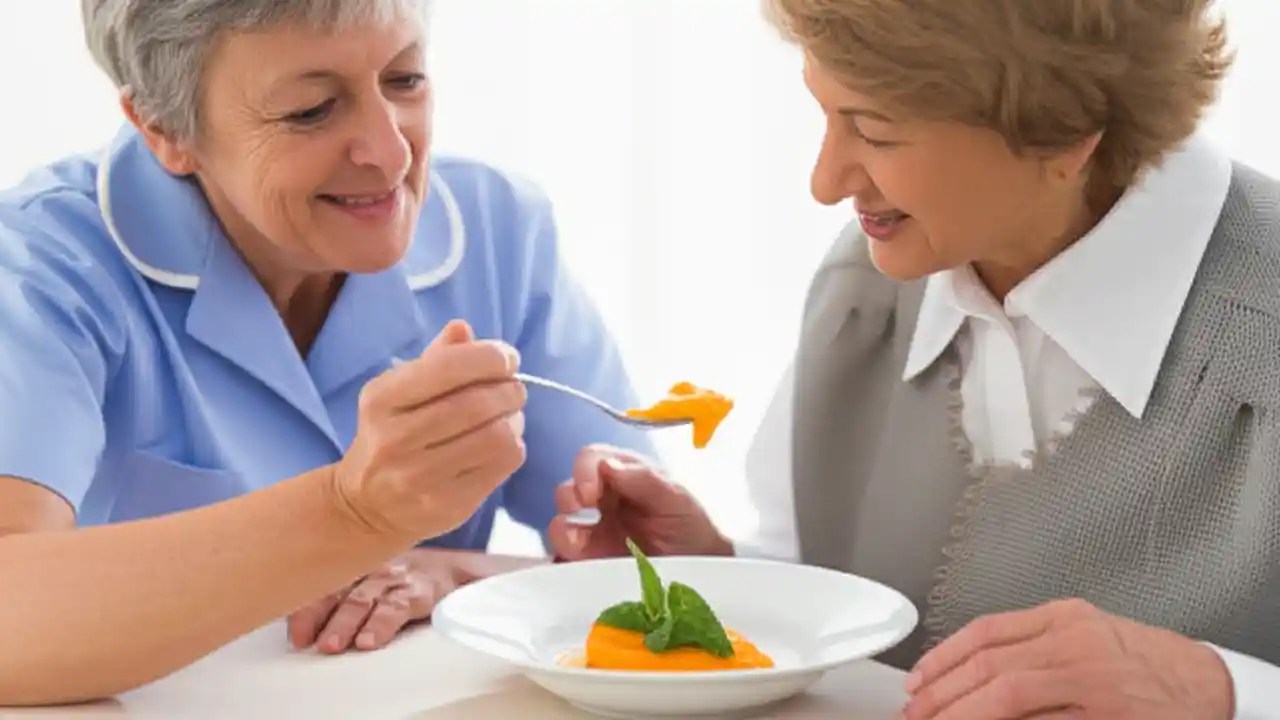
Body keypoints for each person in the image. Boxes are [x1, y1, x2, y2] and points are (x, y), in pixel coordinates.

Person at [549, 1, 1280, 717]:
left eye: (875, 133)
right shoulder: (865, 292)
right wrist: (710, 571)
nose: (825, 180)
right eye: (824, 113)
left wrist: (1219, 691)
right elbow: (819, 601)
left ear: (1062, 134)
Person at [0, 0, 654, 706]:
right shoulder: (41, 268)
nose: (392, 152)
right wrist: (353, 515)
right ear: (163, 127)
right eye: (311, 111)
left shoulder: (499, 229)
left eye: (405, 80)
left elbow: (621, 567)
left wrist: (457, 574)